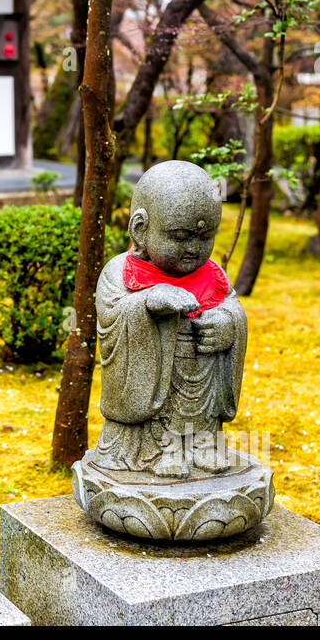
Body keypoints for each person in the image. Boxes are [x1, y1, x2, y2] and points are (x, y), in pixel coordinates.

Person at [93, 161, 248, 479]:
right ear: (140, 229)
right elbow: (111, 320)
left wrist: (228, 326)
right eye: (179, 237)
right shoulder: (119, 272)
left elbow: (232, 308)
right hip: (148, 404)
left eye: (205, 237)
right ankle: (155, 451)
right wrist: (148, 304)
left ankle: (202, 445)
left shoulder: (211, 275)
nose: (193, 248)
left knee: (202, 407)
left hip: (201, 381)